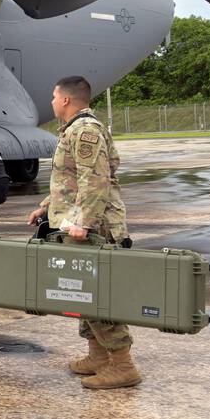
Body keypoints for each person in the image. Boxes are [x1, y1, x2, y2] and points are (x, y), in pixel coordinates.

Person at [28, 76, 141, 389]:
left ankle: (123, 365)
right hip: (80, 222)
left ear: (65, 100)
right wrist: (47, 208)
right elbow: (71, 181)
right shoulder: (76, 129)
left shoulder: (85, 130)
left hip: (96, 228)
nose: (51, 102)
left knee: (99, 294)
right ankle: (98, 356)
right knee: (82, 291)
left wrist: (84, 222)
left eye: (53, 96)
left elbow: (95, 180)